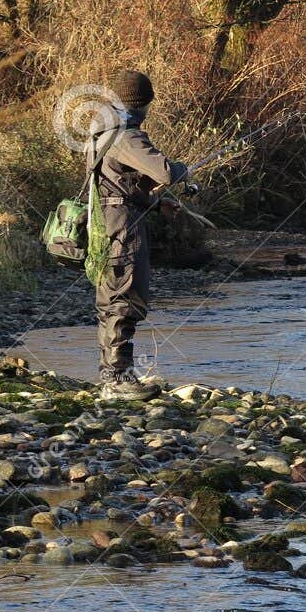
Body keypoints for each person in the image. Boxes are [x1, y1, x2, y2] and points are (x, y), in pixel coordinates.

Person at [87, 69, 191, 401]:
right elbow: (163, 171)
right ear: (141, 103)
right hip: (122, 226)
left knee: (110, 297)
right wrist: (182, 170)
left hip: (106, 220)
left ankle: (110, 376)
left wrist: (157, 204)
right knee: (125, 296)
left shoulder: (99, 132)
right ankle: (118, 380)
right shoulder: (126, 136)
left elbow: (119, 185)